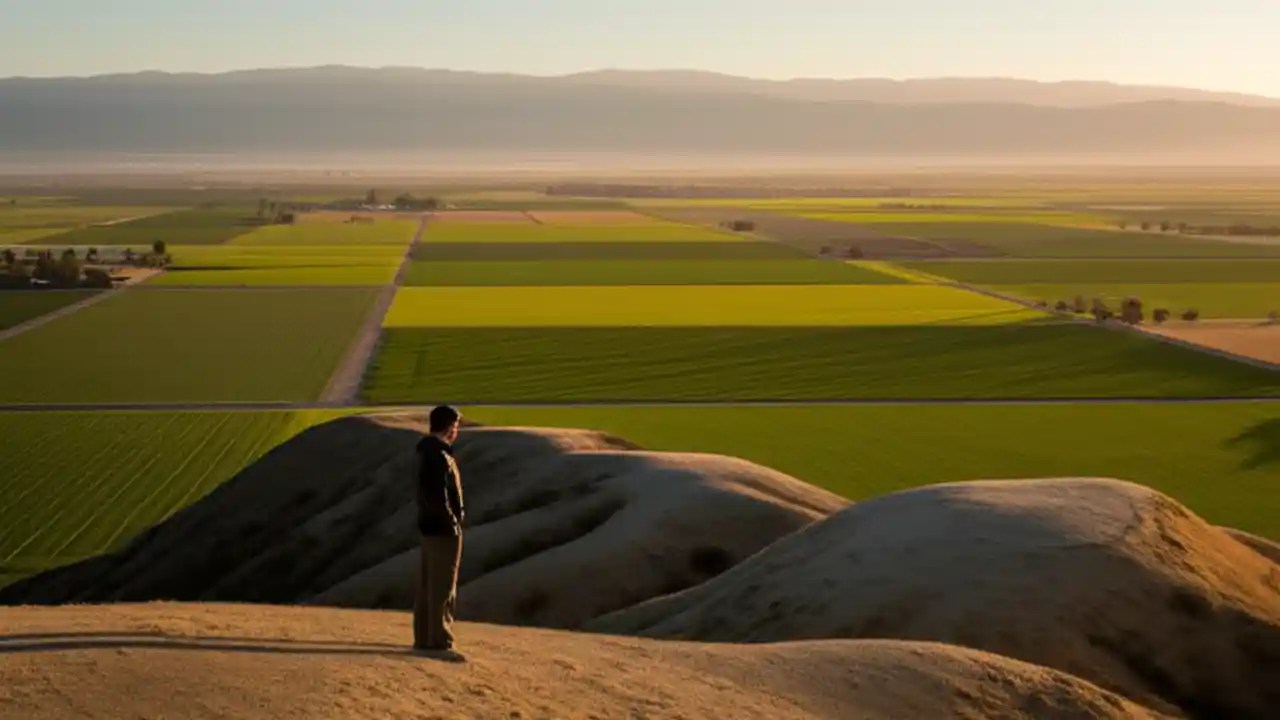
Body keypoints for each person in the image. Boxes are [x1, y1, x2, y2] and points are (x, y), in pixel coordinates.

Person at [414, 405, 465, 656]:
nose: (457, 432)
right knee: (443, 586)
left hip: (428, 527)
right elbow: (438, 496)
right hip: (442, 530)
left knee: (428, 585)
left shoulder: (426, 452)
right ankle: (440, 640)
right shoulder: (438, 455)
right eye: (455, 426)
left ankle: (424, 637)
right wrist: (452, 522)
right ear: (448, 426)